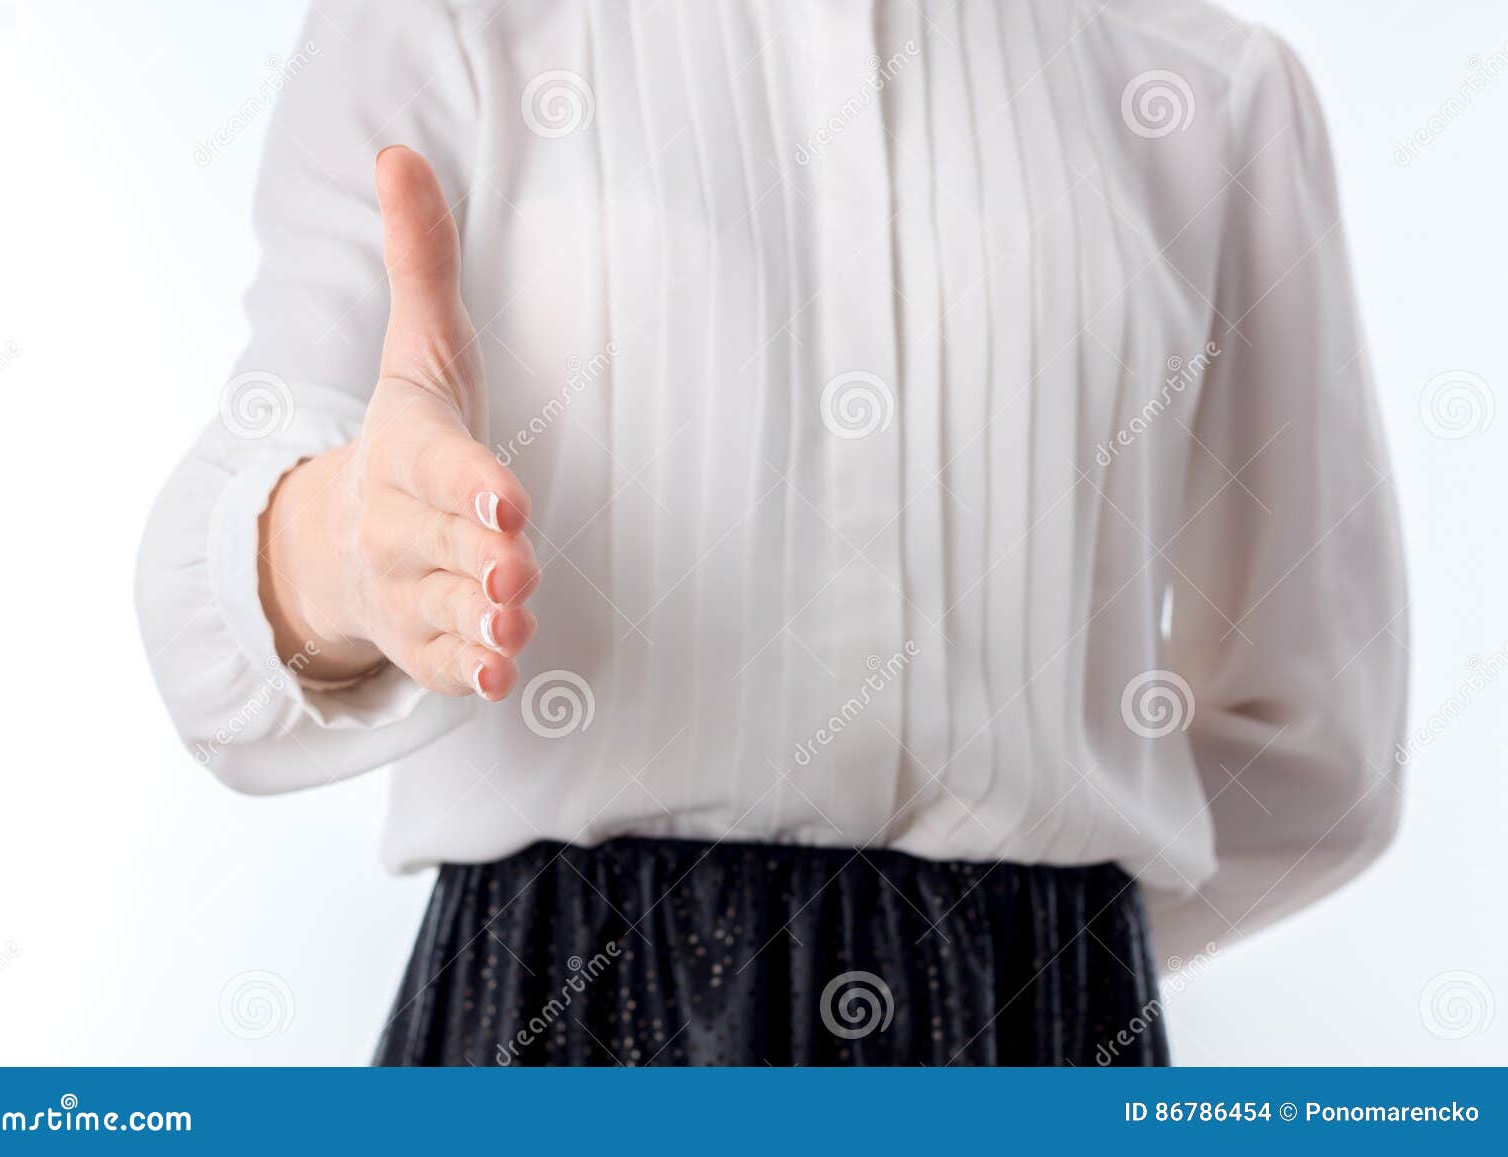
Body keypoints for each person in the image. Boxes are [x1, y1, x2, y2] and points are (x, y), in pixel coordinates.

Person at [136, 0, 1408, 1065]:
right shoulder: (451, 24)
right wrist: (348, 549)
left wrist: (1037, 940)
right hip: (566, 1023)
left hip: (1037, 1024)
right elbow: (222, 574)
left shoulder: (1206, 87)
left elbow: (1317, 742)